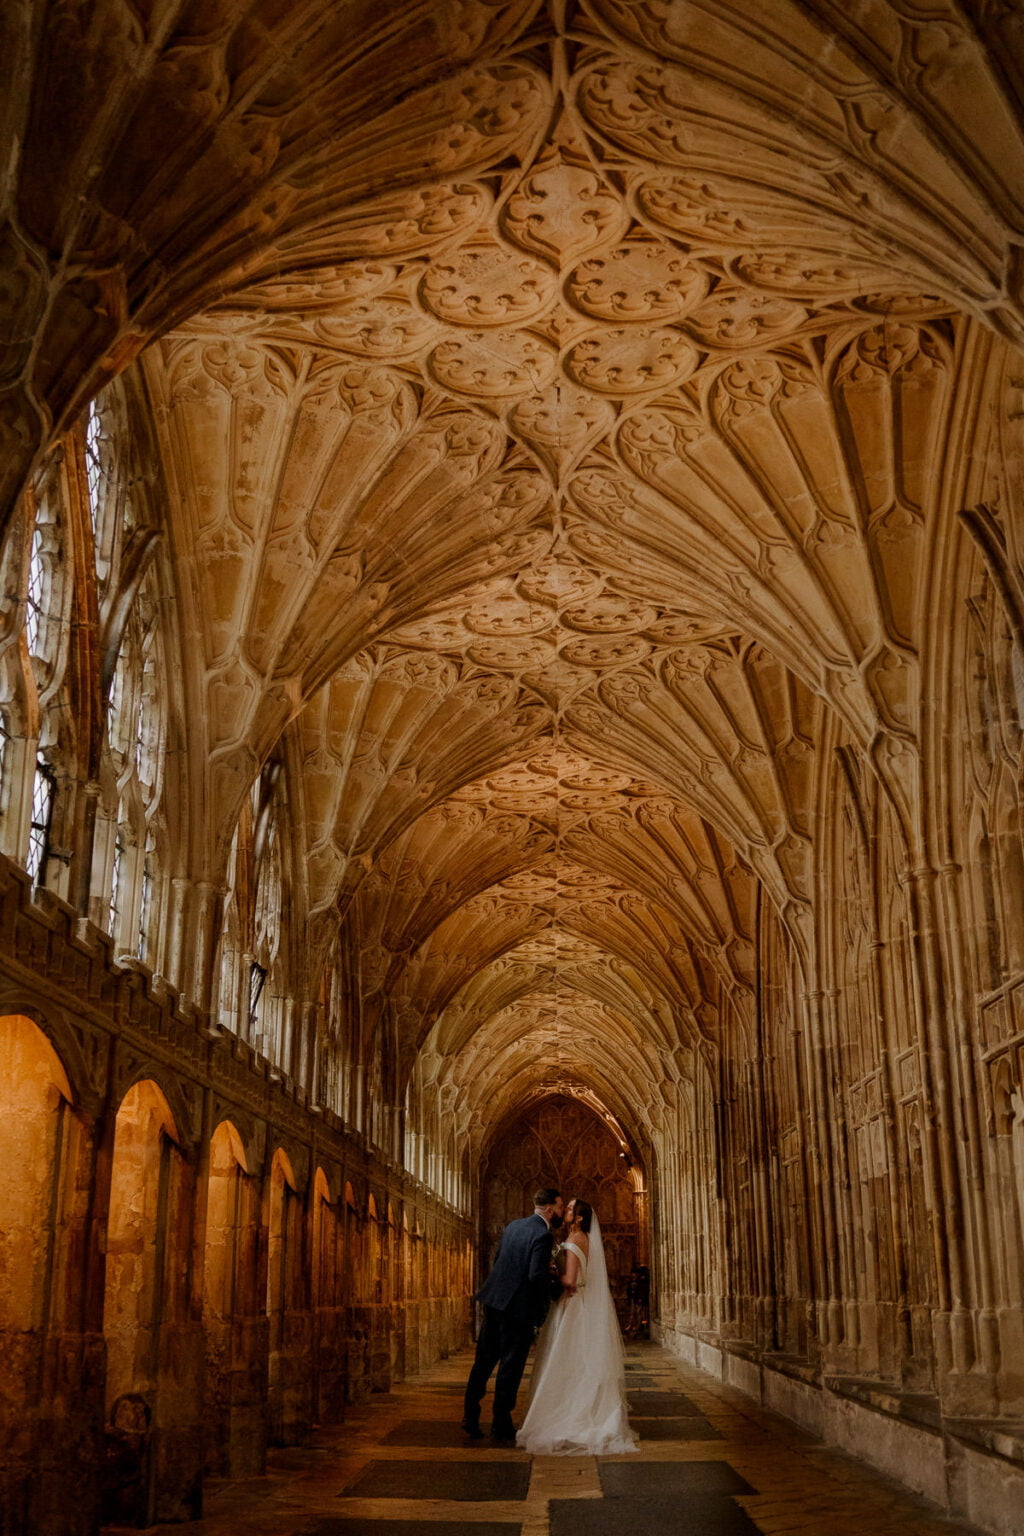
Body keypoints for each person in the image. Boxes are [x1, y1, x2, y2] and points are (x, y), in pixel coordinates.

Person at [515, 1197, 638, 1455]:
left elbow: (570, 1281)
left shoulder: (573, 1241)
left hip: (572, 1305)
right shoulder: (582, 1240)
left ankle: (569, 1415)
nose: (566, 1211)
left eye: (570, 1209)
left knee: (566, 1360)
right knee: (580, 1360)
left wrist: (550, 1273)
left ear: (579, 1218)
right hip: (580, 1304)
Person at [462, 1187, 564, 1441]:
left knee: (483, 1361)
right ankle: (501, 1423)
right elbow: (535, 1275)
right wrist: (555, 1290)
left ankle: (470, 1415)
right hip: (517, 1308)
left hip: (494, 1299)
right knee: (510, 1365)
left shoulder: (513, 1226)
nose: (562, 1213)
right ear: (550, 1210)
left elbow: (499, 1260)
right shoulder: (543, 1234)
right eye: (560, 1208)